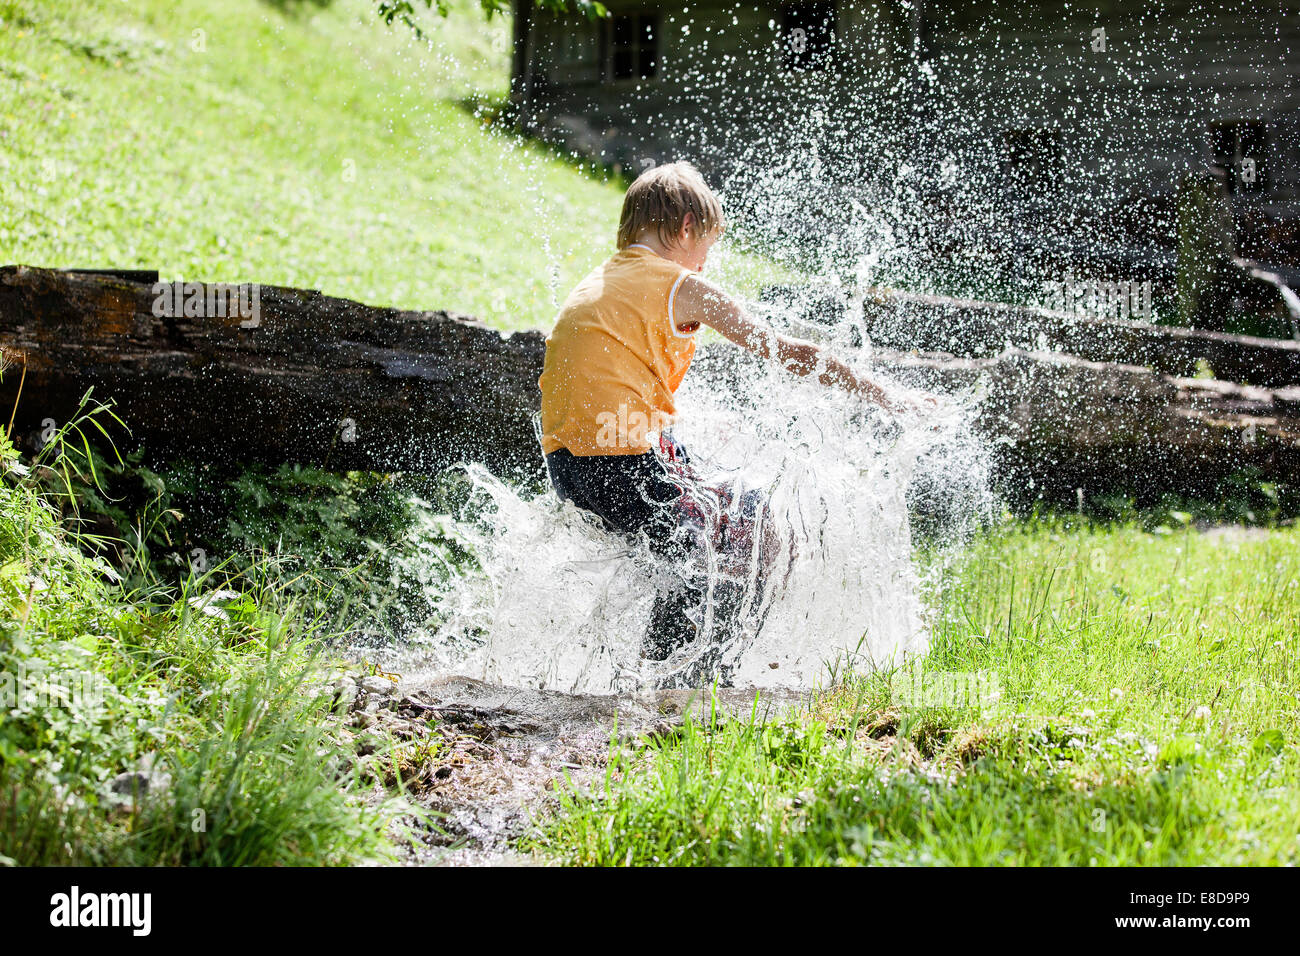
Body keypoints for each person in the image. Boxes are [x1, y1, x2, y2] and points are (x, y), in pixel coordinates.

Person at [537, 161, 925, 675]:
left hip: (570, 468)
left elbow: (607, 390)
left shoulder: (599, 281)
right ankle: (683, 684)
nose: (705, 263)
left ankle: (654, 671)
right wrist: (883, 394)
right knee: (757, 531)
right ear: (685, 229)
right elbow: (786, 351)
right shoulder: (678, 284)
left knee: (696, 544)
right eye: (707, 248)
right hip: (621, 464)